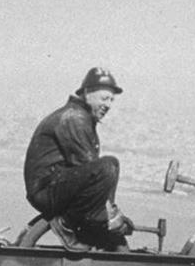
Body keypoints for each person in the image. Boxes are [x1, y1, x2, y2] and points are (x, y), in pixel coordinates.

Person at [23, 67, 132, 251]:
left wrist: (110, 212)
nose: (109, 105)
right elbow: (90, 169)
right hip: (47, 190)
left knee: (108, 168)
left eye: (112, 100)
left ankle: (92, 221)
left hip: (53, 186)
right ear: (87, 93)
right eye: (104, 98)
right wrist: (112, 216)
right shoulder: (75, 117)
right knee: (109, 165)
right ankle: (65, 225)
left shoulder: (80, 116)